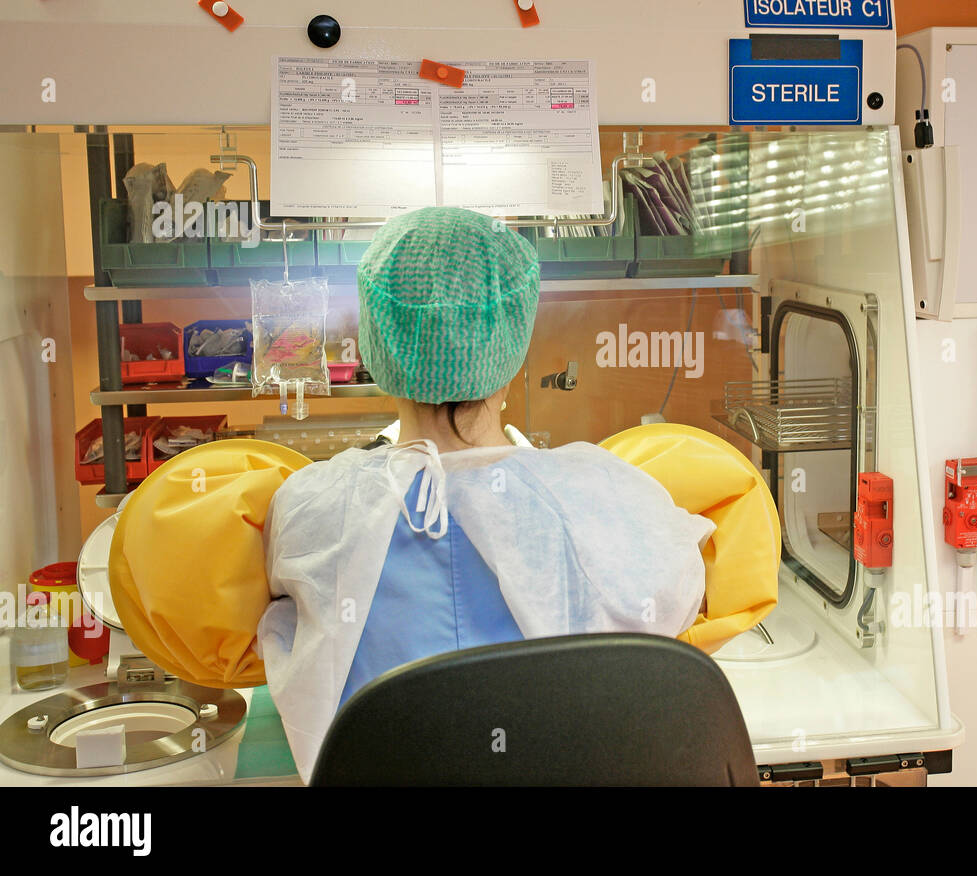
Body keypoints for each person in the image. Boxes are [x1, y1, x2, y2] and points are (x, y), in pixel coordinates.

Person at [256, 207, 714, 780]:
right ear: (513, 348)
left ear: (377, 348)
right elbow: (681, 607)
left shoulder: (309, 508)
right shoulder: (606, 494)